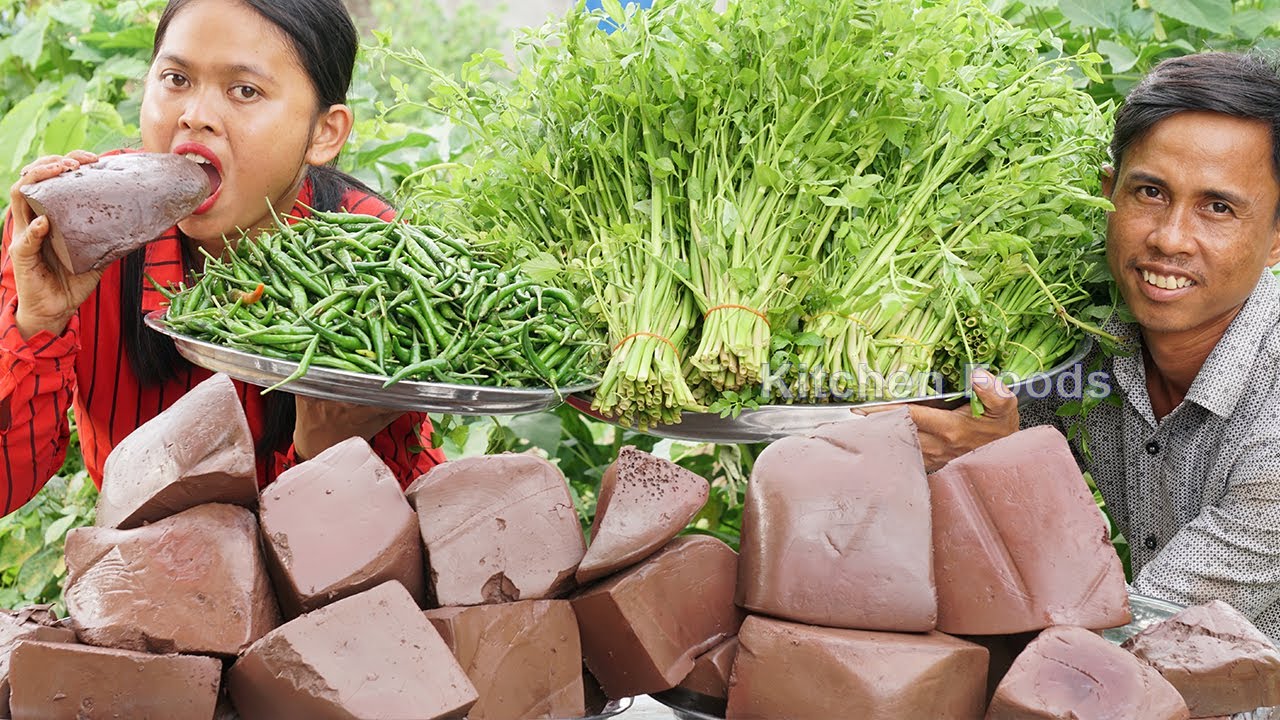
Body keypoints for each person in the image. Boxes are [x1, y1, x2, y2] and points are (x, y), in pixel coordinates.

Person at [0, 0, 445, 517]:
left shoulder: (377, 261)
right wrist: (37, 322)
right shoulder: (78, 229)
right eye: (175, 78)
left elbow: (397, 530)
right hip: (137, 566)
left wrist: (323, 453)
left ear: (325, 133)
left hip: (321, 572)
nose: (195, 116)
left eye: (245, 91)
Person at [893, 51, 1280, 639]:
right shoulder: (1079, 337)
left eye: (1218, 208)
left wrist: (1001, 469)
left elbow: (1130, 634)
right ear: (1108, 196)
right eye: (1150, 192)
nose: (1169, 238)